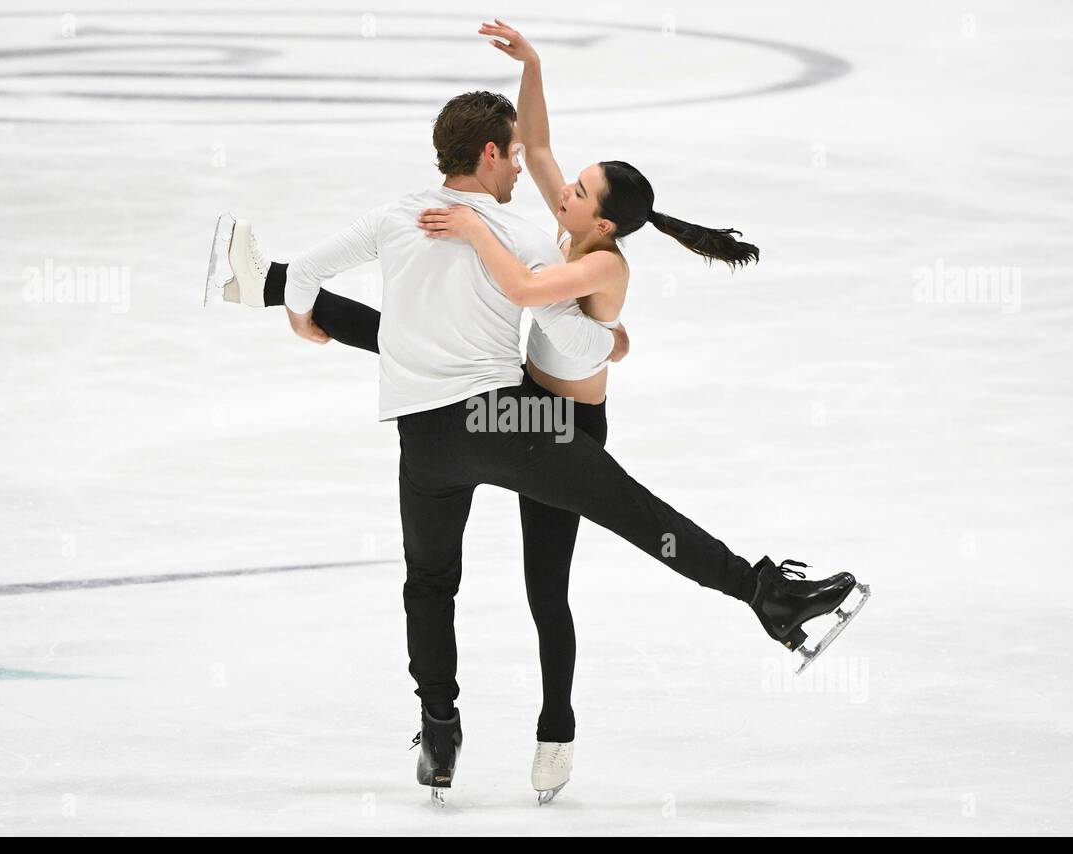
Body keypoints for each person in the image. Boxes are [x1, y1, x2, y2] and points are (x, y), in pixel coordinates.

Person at [206, 38, 863, 807]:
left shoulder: (398, 214)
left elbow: (315, 272)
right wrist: (610, 341)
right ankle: (763, 595)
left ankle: (440, 728)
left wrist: (297, 315)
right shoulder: (530, 241)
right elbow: (556, 313)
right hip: (508, 418)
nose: (531, 170)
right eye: (515, 157)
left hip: (424, 440)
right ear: (490, 155)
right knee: (636, 512)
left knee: (429, 582)